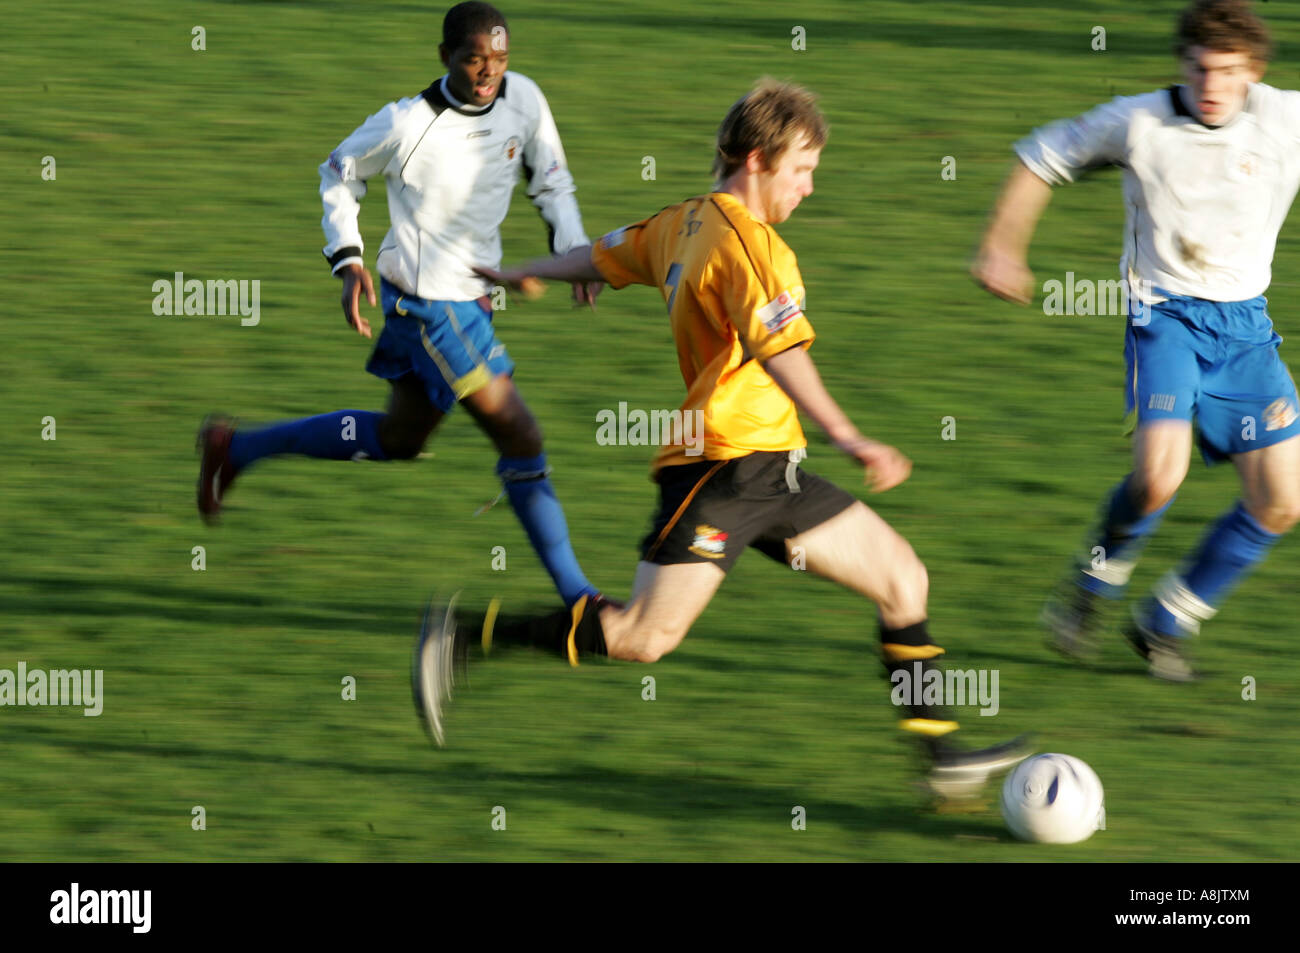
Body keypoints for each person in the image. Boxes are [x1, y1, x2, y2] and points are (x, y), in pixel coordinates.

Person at [418, 79, 1032, 800]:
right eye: (801, 169)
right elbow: (781, 351)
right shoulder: (749, 245)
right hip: (721, 471)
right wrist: (851, 436)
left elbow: (606, 254)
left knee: (903, 578)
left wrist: (530, 268)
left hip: (773, 471)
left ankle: (944, 759)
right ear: (756, 160)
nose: (809, 187)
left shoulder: (684, 221)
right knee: (644, 638)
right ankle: (464, 637)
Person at [195, 2, 603, 608]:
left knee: (400, 439)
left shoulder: (525, 100)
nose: (488, 72)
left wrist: (571, 251)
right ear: (444, 58)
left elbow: (553, 181)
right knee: (521, 436)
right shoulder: (407, 124)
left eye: (499, 58)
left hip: (470, 305)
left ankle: (236, 448)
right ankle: (582, 602)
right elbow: (338, 170)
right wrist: (348, 257)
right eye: (473, 59)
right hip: (430, 310)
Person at [973, 0, 1300, 680]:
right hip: (1167, 319)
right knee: (1157, 478)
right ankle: (1090, 585)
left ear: (1255, 73)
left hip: (1245, 331)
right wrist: (1002, 246)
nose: (1211, 85)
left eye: (1228, 72)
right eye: (1199, 68)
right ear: (1182, 63)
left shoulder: (1285, 121)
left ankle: (1166, 622)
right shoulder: (1139, 121)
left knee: (1281, 502)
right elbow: (1040, 157)